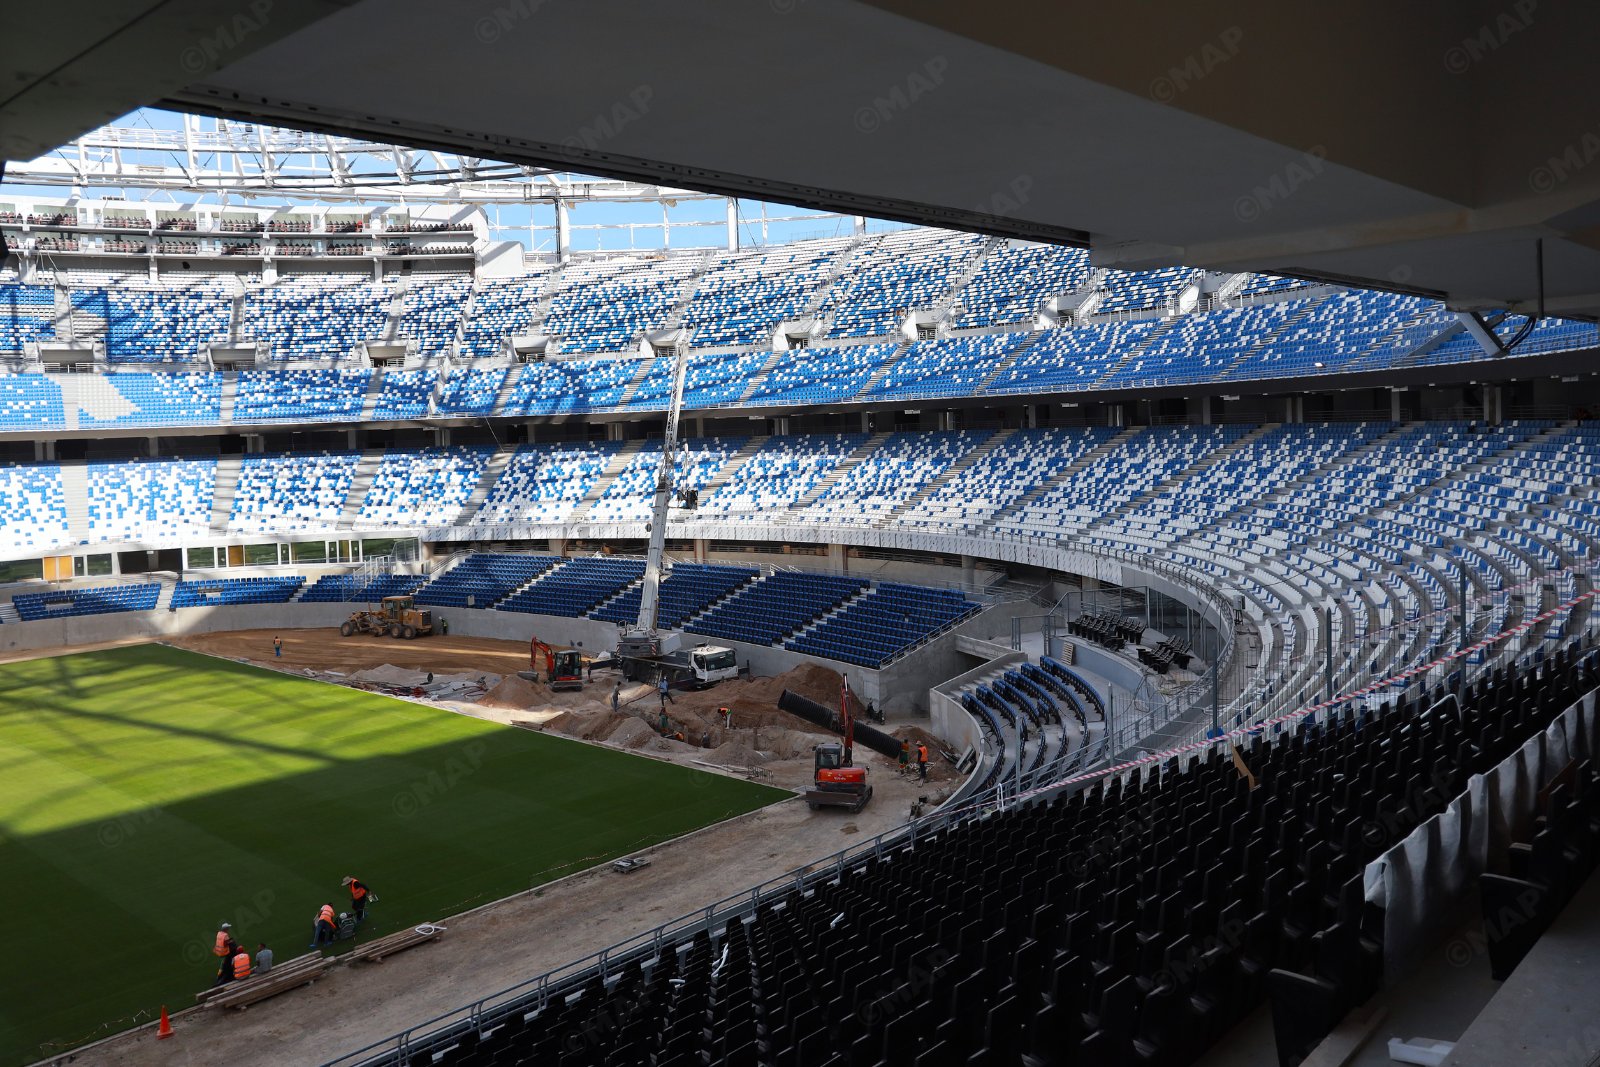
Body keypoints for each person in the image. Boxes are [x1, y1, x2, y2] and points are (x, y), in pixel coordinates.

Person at [211, 922, 240, 987]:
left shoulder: (219, 933)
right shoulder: (225, 935)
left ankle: (219, 975)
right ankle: (219, 977)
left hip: (218, 950)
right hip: (224, 952)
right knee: (223, 965)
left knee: (223, 964)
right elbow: (225, 943)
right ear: (225, 929)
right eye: (228, 928)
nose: (228, 929)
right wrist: (231, 941)